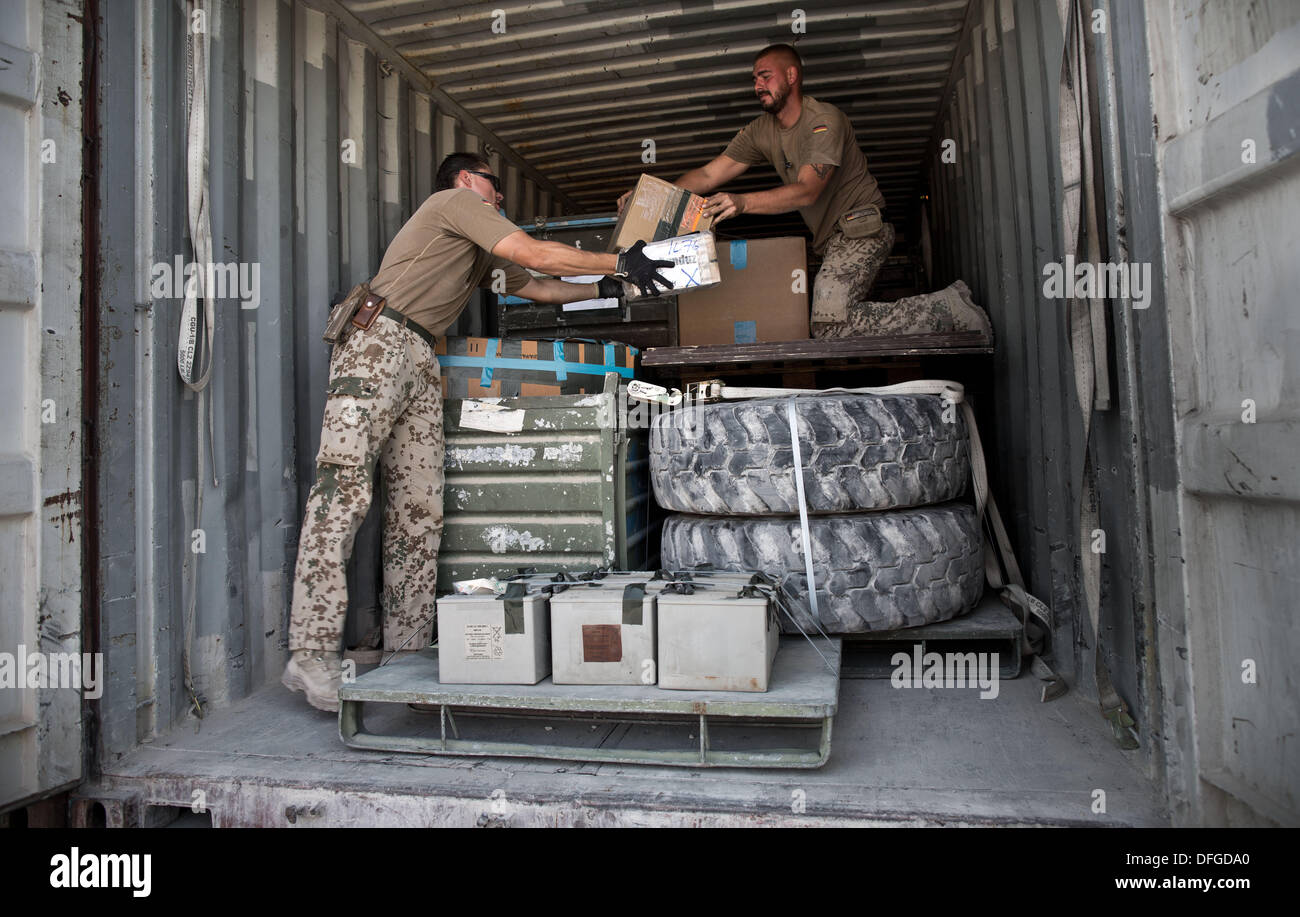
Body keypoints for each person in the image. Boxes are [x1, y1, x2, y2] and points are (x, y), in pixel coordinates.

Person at [283, 152, 673, 711]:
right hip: (378, 343)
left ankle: (408, 651)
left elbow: (534, 285)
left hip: (420, 354)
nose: (503, 200)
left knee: (420, 510)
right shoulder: (455, 203)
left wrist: (614, 290)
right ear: (468, 180)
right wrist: (619, 261)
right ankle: (311, 652)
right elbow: (534, 252)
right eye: (497, 186)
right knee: (340, 494)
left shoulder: (476, 242)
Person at [618, 43, 893, 338]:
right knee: (838, 324)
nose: (758, 86)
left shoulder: (823, 121)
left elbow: (807, 191)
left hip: (860, 228)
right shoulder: (762, 130)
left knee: (829, 326)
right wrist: (647, 194)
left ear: (791, 75)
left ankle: (946, 307)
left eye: (765, 77)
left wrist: (742, 202)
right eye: (754, 80)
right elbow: (710, 174)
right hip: (831, 241)